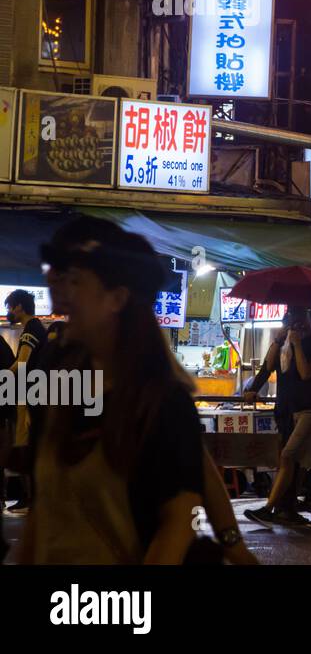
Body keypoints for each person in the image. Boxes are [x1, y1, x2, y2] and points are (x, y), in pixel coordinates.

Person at [17, 221, 205, 563]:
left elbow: (182, 519)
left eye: (77, 281)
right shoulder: (59, 383)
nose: (57, 290)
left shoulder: (162, 402)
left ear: (117, 298)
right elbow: (44, 508)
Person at [246, 306, 311, 529]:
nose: (296, 324)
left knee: (289, 456)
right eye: (292, 320)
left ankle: (269, 509)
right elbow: (269, 366)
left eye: (301, 318)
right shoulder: (284, 343)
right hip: (295, 411)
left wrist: (298, 344)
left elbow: (305, 373)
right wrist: (277, 341)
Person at [4, 288, 46, 515]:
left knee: (24, 445)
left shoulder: (31, 329)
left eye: (9, 306)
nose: (9, 311)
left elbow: (21, 363)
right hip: (34, 395)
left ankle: (29, 499)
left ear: (19, 306)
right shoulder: (36, 327)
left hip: (29, 396)